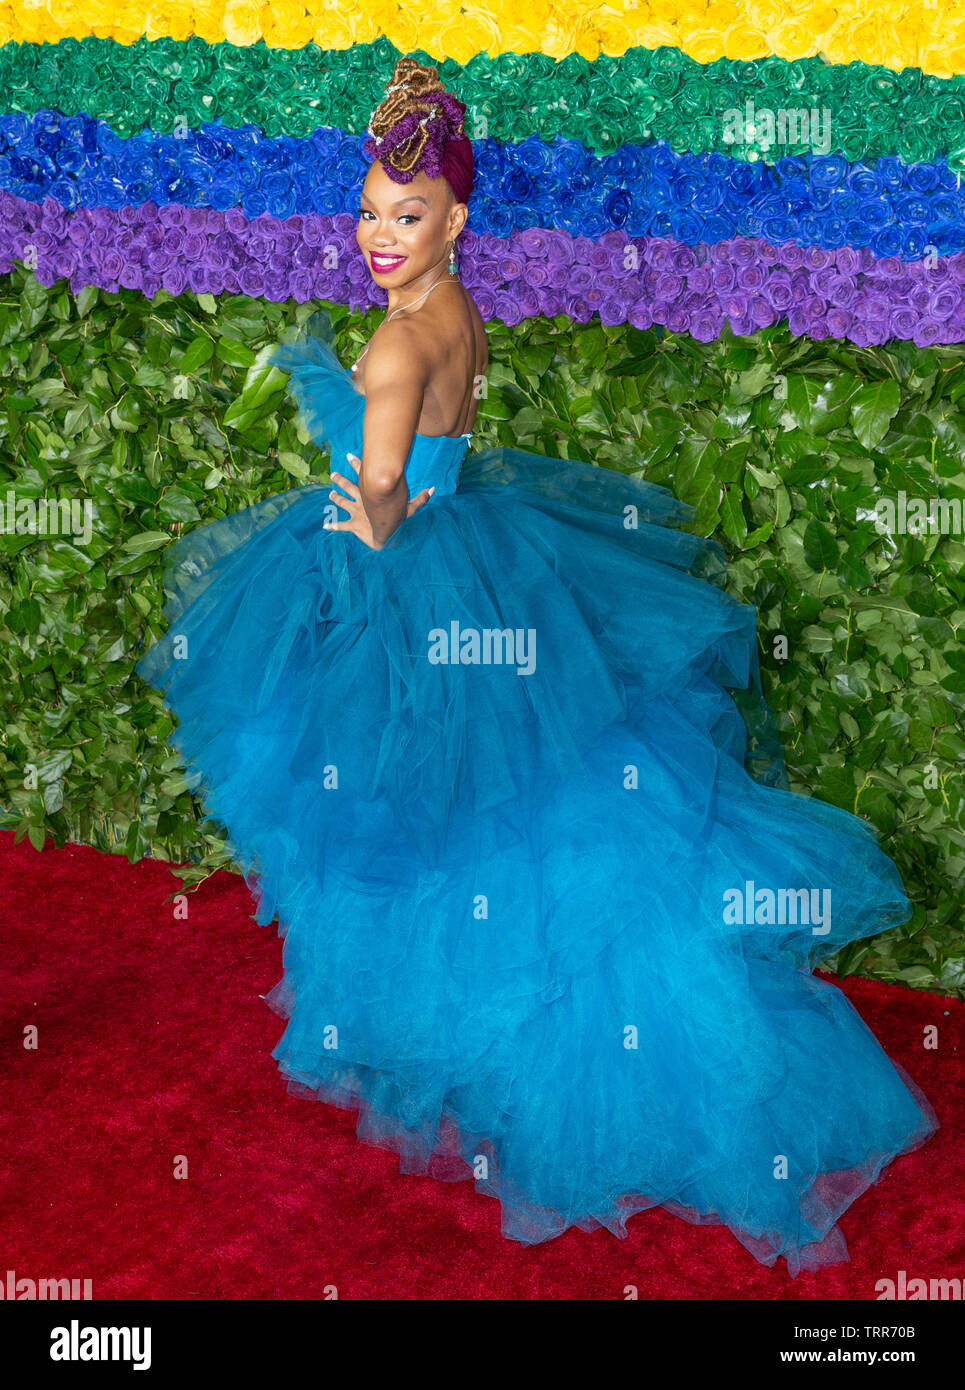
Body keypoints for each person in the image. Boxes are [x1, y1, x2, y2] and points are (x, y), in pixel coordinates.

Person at [135, 57, 938, 1275]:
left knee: (424, 817)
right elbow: (441, 442)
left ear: (453, 219)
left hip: (414, 586)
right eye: (366, 213)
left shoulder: (401, 345)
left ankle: (554, 1060)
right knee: (538, 809)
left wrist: (358, 511)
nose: (376, 238)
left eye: (404, 218)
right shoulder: (457, 311)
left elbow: (392, 494)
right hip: (490, 564)